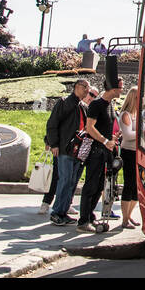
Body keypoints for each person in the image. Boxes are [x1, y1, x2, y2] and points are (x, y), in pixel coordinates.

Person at [76, 76, 122, 235]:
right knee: (90, 185)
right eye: (120, 87)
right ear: (112, 88)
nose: (121, 90)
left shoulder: (109, 105)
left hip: (106, 151)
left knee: (100, 185)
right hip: (97, 150)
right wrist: (104, 141)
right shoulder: (97, 105)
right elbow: (90, 127)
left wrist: (112, 139)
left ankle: (89, 215)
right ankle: (83, 221)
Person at [48, 78, 91, 225]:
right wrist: (53, 144)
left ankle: (64, 211)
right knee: (65, 180)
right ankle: (57, 212)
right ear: (76, 87)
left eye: (88, 88)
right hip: (65, 150)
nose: (87, 90)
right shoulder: (65, 102)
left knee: (72, 182)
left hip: (78, 151)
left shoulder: (83, 107)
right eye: (84, 87)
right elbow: (52, 124)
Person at [117, 86, 139, 230]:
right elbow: (127, 135)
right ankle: (124, 219)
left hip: (136, 152)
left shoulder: (136, 114)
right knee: (129, 184)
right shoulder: (126, 114)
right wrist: (142, 133)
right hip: (128, 152)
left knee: (136, 186)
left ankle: (129, 215)